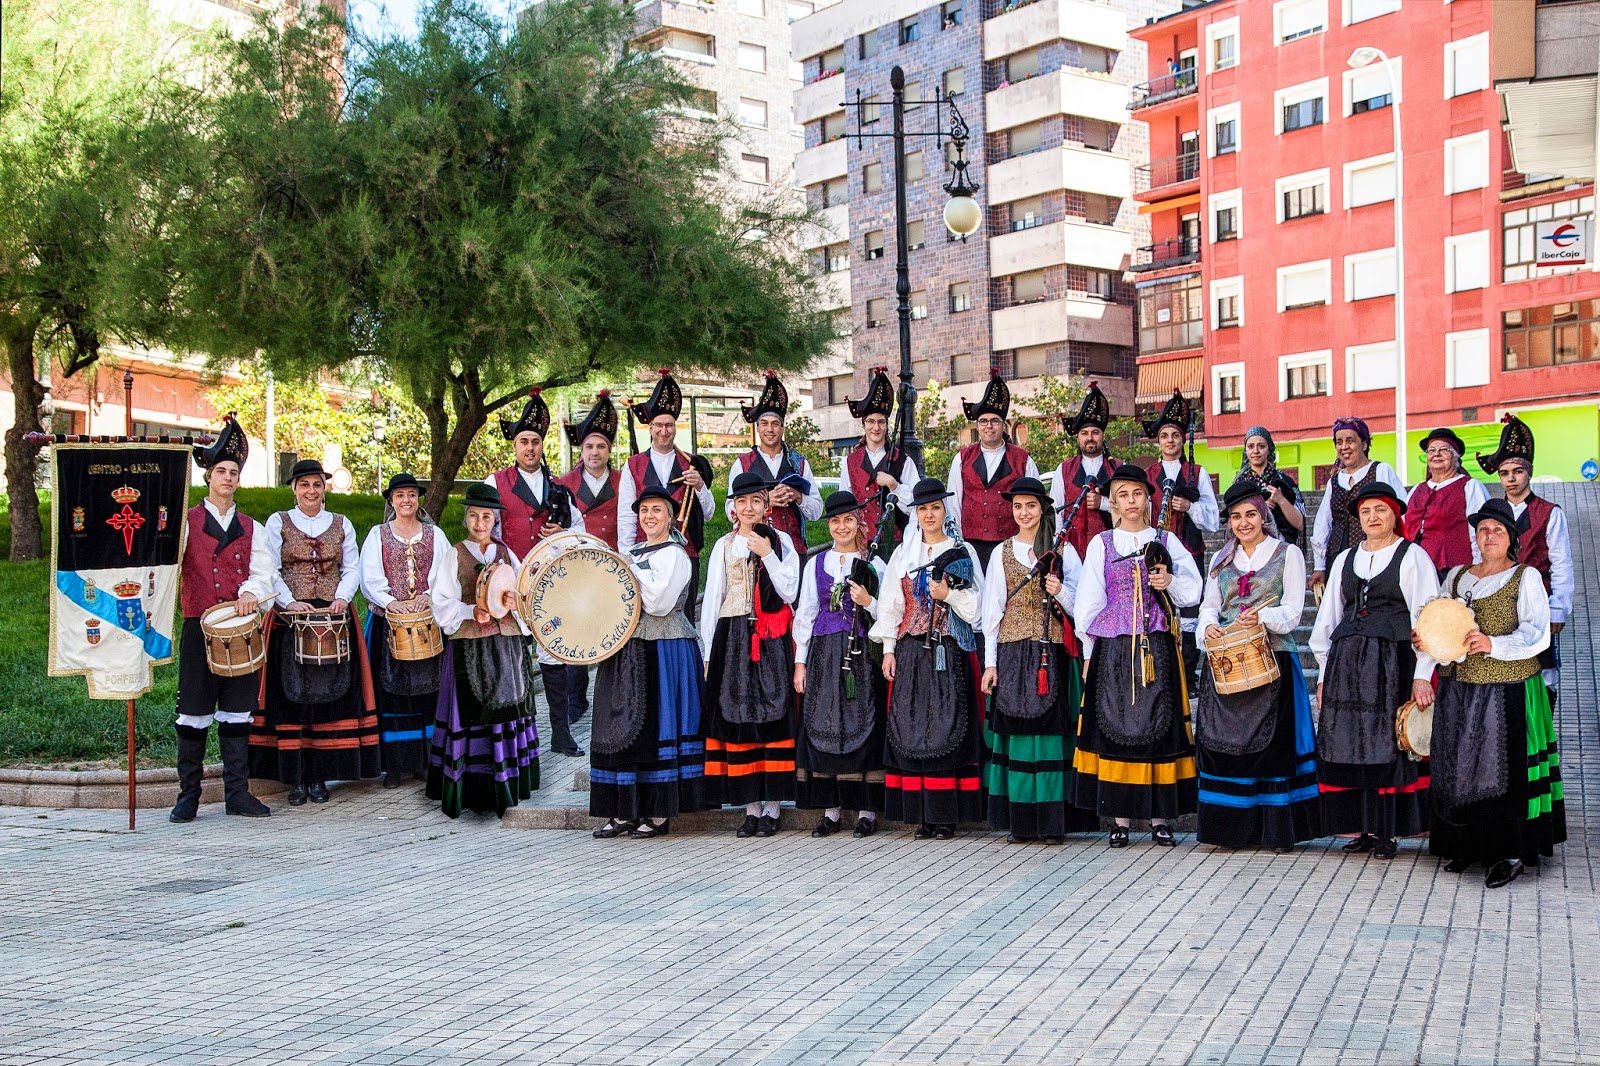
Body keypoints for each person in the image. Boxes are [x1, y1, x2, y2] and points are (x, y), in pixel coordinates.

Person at [1427, 499, 1565, 887]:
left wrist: (1493, 644)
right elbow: (1440, 620)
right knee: (1460, 766)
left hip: (1507, 689)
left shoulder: (1525, 577)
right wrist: (1427, 638)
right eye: (1483, 529)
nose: (1489, 536)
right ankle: (1467, 845)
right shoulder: (1457, 577)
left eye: (1498, 530)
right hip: (1458, 687)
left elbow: (1536, 633)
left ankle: (1508, 853)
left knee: (1500, 770)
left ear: (1512, 539)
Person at [1072, 464, 1203, 848]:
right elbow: (1089, 603)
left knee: (1159, 729)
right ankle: (1120, 819)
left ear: (1148, 499)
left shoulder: (1166, 540)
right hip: (1113, 650)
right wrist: (1088, 654)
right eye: (1123, 495)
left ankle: (1160, 819)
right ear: (1114, 502)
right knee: (1116, 729)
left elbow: (1193, 589)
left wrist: (1169, 581)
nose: (1131, 501)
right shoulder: (1102, 544)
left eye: (1137, 494)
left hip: (1157, 646)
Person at [1308, 481, 1438, 860]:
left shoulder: (1412, 557)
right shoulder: (1345, 559)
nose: (1373, 517)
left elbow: (1427, 618)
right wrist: (1324, 674)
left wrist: (1422, 673)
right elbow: (1328, 618)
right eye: (1365, 511)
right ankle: (1362, 827)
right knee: (1350, 742)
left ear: (1394, 515)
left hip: (1391, 663)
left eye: (1380, 509)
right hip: (1347, 665)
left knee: (1386, 744)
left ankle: (1387, 831)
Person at [1194, 481, 1320, 850]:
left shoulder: (1287, 554)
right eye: (1236, 517)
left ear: (1263, 515)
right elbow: (1208, 607)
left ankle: (1275, 830)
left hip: (1273, 660)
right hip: (1228, 662)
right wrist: (1208, 627)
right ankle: (1231, 831)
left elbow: (1293, 611)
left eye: (1250, 514)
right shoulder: (1220, 560)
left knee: (1273, 746)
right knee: (1226, 744)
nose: (1244, 522)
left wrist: (1262, 618)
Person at [249, 459, 380, 805]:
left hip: (332, 616)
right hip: (289, 618)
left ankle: (320, 774)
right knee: (290, 696)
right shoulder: (277, 522)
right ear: (294, 488)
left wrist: (342, 597)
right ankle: (295, 778)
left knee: (330, 696)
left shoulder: (341, 523)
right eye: (304, 484)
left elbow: (351, 568)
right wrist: (289, 602)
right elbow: (270, 569)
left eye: (317, 484)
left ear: (325, 488)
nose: (311, 490)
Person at [979, 476, 1098, 843]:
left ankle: (1052, 822)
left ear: (1043, 509)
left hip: (1052, 652)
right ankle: (1022, 822)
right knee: (1017, 732)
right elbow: (992, 612)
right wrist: (990, 663)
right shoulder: (1001, 553)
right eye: (1018, 506)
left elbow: (1082, 606)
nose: (1024, 513)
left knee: (1051, 734)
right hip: (1013, 653)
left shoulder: (1063, 550)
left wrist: (1059, 590)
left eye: (1030, 506)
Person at [168, 415, 276, 823]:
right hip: (199, 626)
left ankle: (237, 795)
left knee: (236, 712)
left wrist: (250, 594)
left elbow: (264, 572)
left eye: (233, 473)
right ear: (208, 477)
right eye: (221, 472)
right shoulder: (186, 522)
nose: (228, 478)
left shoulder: (252, 527)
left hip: (241, 630)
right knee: (193, 714)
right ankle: (188, 797)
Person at [869, 477, 985, 839]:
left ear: (944, 510)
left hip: (949, 650)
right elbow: (891, 604)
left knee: (948, 727)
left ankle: (946, 815)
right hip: (911, 650)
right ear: (916, 514)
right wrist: (889, 650)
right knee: (914, 727)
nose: (930, 514)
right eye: (923, 509)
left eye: (936, 507)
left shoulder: (961, 551)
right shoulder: (904, 555)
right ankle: (922, 814)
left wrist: (948, 594)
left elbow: (977, 610)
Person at [589, 487, 705, 839]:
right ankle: (624, 810)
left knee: (656, 725)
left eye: (657, 510)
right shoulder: (634, 552)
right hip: (626, 647)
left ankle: (657, 811)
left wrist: (626, 570)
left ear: (670, 517)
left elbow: (658, 603)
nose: (649, 516)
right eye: (644, 511)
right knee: (620, 726)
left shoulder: (675, 554)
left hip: (663, 647)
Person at [425, 483, 541, 818]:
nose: (479, 523)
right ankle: (473, 789)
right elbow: (440, 602)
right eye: (474, 516)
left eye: (486, 517)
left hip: (506, 647)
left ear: (495, 520)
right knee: (472, 712)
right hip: (469, 647)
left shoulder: (507, 555)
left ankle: (505, 784)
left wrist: (514, 602)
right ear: (466, 519)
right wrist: (469, 611)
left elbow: (525, 596)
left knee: (506, 709)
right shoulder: (454, 555)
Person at [485, 387, 586, 758]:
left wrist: (564, 532)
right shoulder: (495, 484)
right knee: (511, 662)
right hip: (510, 584)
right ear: (514, 445)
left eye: (535, 442)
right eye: (524, 441)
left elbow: (581, 533)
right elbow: (484, 533)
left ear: (542, 445)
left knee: (554, 658)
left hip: (549, 586)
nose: (530, 448)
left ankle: (560, 732)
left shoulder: (559, 489)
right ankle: (513, 739)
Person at [700, 471, 802, 837]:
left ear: (766, 506)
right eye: (742, 502)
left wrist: (768, 554)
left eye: (755, 501)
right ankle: (750, 806)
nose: (748, 508)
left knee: (774, 712)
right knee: (738, 714)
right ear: (733, 508)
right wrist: (708, 653)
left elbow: (790, 591)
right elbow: (713, 598)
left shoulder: (782, 541)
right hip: (732, 637)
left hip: (771, 638)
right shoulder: (724, 545)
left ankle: (773, 805)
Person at [792, 490, 886, 839]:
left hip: (861, 654)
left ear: (859, 523)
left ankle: (866, 811)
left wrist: (868, 601)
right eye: (835, 521)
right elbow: (805, 614)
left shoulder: (874, 563)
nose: (842, 526)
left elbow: (890, 612)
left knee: (863, 723)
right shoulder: (816, 564)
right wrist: (800, 663)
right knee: (825, 723)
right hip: (824, 655)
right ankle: (831, 810)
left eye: (848, 519)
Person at [359, 472, 450, 788]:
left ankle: (426, 761)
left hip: (427, 624)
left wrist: (430, 595)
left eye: (411, 494)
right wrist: (390, 602)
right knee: (392, 693)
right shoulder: (378, 535)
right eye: (400, 495)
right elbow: (369, 577)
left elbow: (445, 572)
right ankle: (396, 765)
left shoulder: (435, 534)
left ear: (418, 499)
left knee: (429, 691)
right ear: (391, 501)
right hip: (389, 625)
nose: (406, 500)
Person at [1478, 414, 1572, 702]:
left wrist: (1559, 608)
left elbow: (1561, 564)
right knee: (1501, 668)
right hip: (1498, 602)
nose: (1511, 479)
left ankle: (1542, 728)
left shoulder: (1549, 512)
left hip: (1537, 602)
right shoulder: (1492, 515)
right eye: (1504, 473)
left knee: (1542, 673)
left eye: (1517, 471)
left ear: (1528, 473)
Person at [555, 390, 624, 730]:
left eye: (601, 446)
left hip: (612, 567)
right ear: (581, 450)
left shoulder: (625, 482)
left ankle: (613, 696)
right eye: (589, 447)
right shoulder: (562, 484)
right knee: (577, 632)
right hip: (577, 569)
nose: (595, 452)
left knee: (612, 630)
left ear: (609, 450)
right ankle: (575, 701)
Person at [1142, 389, 1217, 688]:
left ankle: (1188, 673)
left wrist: (1190, 507)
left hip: (1190, 549)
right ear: (1158, 441)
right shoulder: (1148, 474)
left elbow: (1213, 519)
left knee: (1189, 610)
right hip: (1156, 553)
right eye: (1164, 436)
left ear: (1183, 439)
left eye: (1175, 435)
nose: (1170, 440)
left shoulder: (1197, 472)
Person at [617, 368, 716, 591]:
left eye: (669, 425)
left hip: (685, 552)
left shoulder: (692, 463)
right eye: (659, 425)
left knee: (685, 609)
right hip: (644, 553)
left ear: (675, 428)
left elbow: (709, 514)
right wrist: (627, 555)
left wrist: (700, 485)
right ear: (650, 427)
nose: (664, 431)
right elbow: (626, 515)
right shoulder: (633, 465)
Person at [946, 368, 1039, 569]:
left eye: (995, 421)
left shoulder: (1023, 460)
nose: (989, 426)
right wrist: (959, 545)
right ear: (977, 425)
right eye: (983, 421)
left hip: (1011, 545)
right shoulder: (962, 459)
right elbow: (953, 505)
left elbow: (1037, 504)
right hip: (971, 545)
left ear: (1003, 425)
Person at [727, 371, 823, 551]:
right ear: (757, 428)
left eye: (775, 424)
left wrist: (798, 496)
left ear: (782, 428)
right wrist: (764, 501)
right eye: (764, 423)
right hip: (753, 549)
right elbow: (729, 511)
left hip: (794, 550)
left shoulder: (799, 463)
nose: (769, 429)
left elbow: (817, 511)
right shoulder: (742, 464)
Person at [1310, 416, 1405, 595]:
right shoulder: (1334, 481)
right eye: (1339, 442)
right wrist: (1319, 566)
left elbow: (1401, 513)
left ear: (1364, 444)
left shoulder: (1380, 470)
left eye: (1350, 441)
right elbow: (1323, 523)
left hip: (1376, 552)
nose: (1344, 447)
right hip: (1338, 555)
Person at [840, 366, 917, 554]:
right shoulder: (850, 462)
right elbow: (844, 505)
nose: (876, 427)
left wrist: (894, 486)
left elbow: (915, 506)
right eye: (871, 421)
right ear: (863, 424)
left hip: (895, 544)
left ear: (887, 425)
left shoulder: (903, 461)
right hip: (859, 543)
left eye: (881, 422)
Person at [1405, 428, 1488, 574]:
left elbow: (1481, 531)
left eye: (1444, 449)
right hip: (1417, 568)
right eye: (1431, 450)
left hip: (1455, 569)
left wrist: (1479, 569)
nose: (1436, 454)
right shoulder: (1416, 490)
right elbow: (1402, 528)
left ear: (1456, 457)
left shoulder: (1470, 486)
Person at [1050, 380, 1116, 558]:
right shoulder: (1064, 470)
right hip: (1072, 549)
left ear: (1103, 436)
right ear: (1078, 438)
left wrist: (1103, 503)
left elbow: (1131, 509)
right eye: (1084, 433)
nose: (1090, 438)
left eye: (1095, 433)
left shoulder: (1118, 468)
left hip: (1110, 548)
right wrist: (1060, 550)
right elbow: (1055, 512)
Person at [1234, 427, 1305, 548]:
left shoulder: (1283, 481)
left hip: (1282, 548)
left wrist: (1281, 500)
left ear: (1269, 449)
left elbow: (1300, 524)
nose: (1256, 451)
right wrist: (1260, 507)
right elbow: (1233, 522)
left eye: (1261, 446)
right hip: (1249, 549)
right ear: (1245, 450)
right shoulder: (1239, 485)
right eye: (1250, 446)